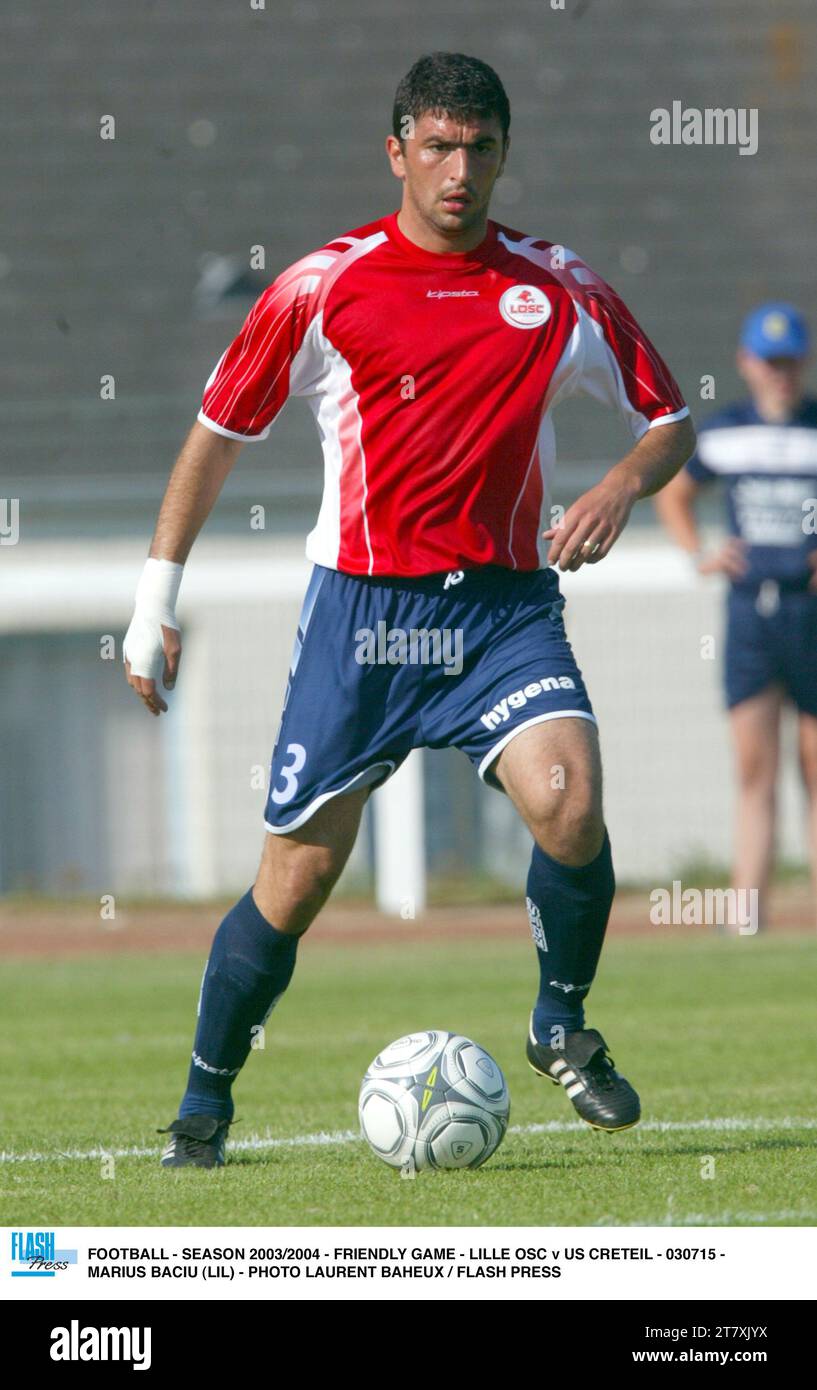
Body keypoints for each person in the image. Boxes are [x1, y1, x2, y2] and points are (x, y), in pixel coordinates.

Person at [123, 51, 695, 1167]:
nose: (458, 169)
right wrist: (155, 602)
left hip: (502, 612)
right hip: (365, 620)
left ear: (503, 156)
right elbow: (214, 439)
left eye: (479, 148)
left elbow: (667, 420)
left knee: (569, 805)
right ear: (396, 152)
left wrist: (624, 481)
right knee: (294, 883)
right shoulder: (321, 287)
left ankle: (559, 1021)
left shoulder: (560, 288)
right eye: (436, 145)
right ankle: (204, 1097)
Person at [655, 303, 817, 933]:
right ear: (747, 364)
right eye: (768, 361)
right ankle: (748, 913)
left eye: (789, 361)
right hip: (752, 615)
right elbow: (673, 490)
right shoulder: (722, 433)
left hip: (810, 611)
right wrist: (699, 552)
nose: (779, 373)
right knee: (754, 768)